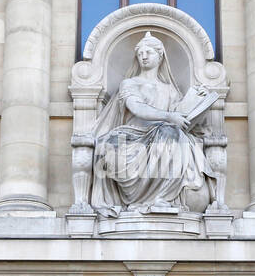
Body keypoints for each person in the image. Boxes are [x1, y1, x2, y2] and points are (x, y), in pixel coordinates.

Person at [91, 31, 215, 216]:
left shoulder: (171, 90)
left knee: (171, 134)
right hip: (133, 136)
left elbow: (181, 115)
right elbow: (137, 107)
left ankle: (162, 197)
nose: (144, 56)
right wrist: (169, 117)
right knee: (166, 133)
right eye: (140, 53)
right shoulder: (130, 83)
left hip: (164, 135)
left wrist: (197, 100)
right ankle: (149, 198)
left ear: (160, 55)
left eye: (148, 52)